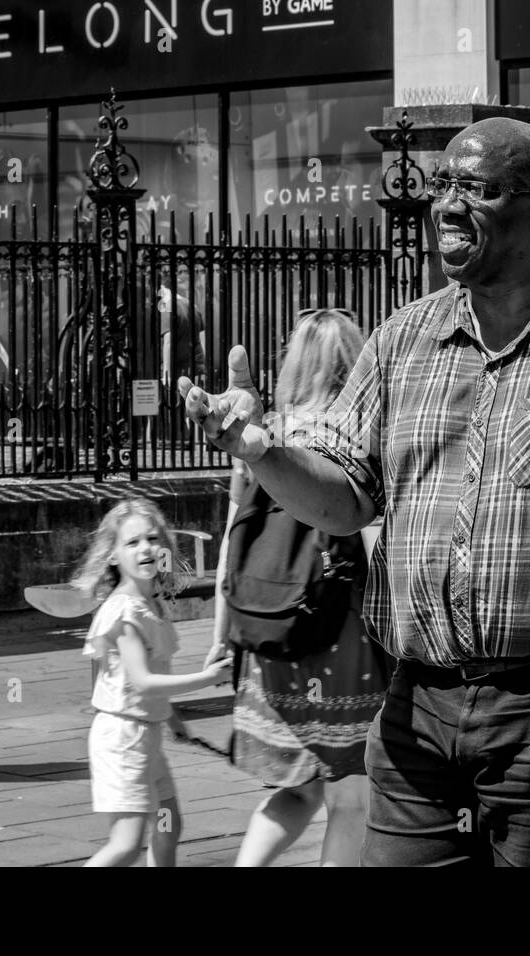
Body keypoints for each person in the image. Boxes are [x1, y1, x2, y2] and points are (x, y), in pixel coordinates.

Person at [180, 117, 530, 867]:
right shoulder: (403, 338)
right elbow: (345, 497)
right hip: (415, 706)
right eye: (442, 185)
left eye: (476, 190)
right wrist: (262, 452)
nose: (446, 206)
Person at [205, 308, 391, 867]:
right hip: (344, 638)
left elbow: (233, 538)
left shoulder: (265, 433)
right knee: (351, 796)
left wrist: (223, 632)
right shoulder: (362, 430)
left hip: (274, 632)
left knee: (298, 787)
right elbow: (378, 540)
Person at [73, 497, 233, 867]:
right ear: (112, 555)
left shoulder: (152, 604)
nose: (145, 548)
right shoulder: (126, 611)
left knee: (168, 824)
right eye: (131, 542)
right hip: (122, 741)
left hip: (145, 737)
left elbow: (139, 676)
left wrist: (173, 720)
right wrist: (209, 677)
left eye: (152, 539)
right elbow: (143, 682)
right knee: (126, 844)